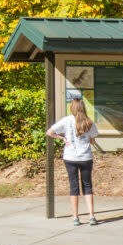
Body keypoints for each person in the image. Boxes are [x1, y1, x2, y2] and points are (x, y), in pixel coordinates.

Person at [46, 92, 100, 225]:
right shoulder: (89, 122)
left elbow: (50, 132)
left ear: (73, 107)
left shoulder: (66, 120)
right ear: (83, 108)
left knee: (73, 186)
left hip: (70, 157)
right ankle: (91, 216)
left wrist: (63, 138)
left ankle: (75, 217)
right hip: (86, 158)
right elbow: (93, 141)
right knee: (87, 185)